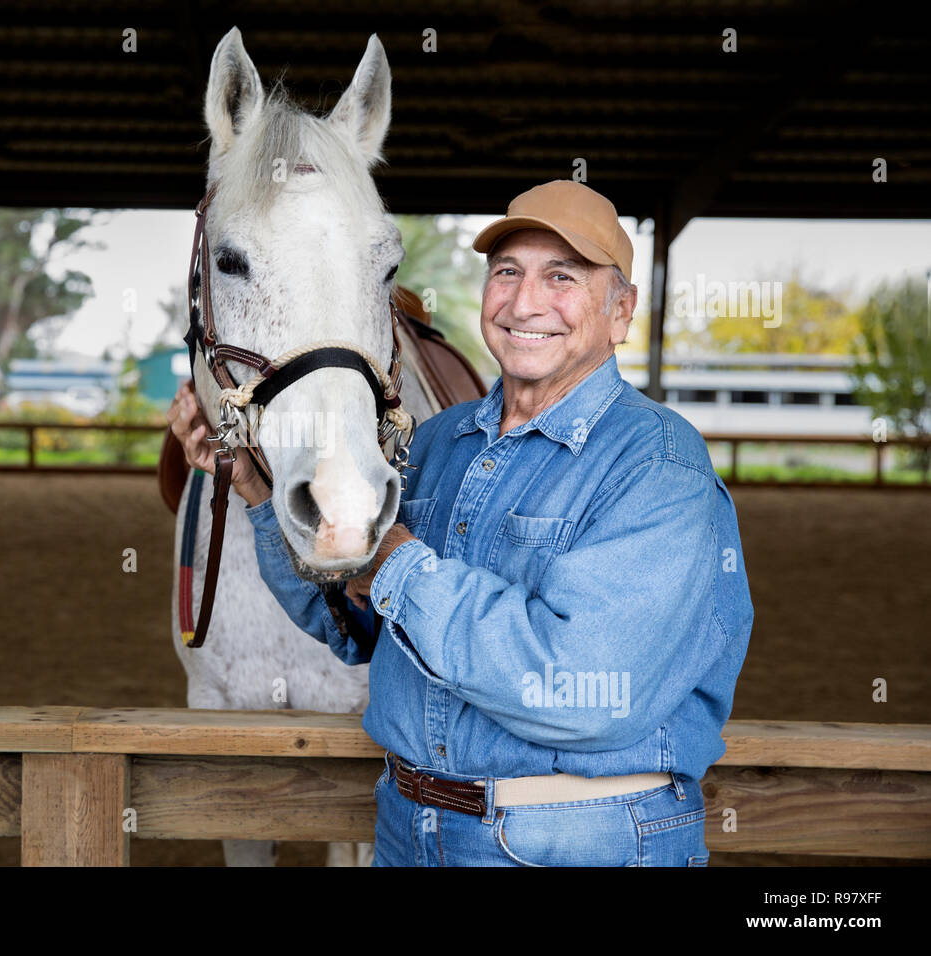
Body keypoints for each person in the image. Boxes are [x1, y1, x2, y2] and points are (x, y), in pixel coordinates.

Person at [167, 179, 753, 866]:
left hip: (572, 842)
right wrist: (258, 491)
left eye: (561, 277)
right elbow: (355, 631)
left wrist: (396, 562)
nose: (525, 301)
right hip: (411, 830)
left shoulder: (657, 465)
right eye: (507, 272)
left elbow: (585, 688)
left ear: (620, 313)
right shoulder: (438, 444)